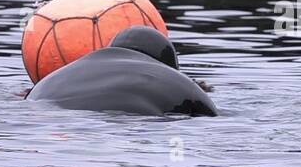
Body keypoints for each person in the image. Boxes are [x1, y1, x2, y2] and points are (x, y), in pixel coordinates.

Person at [27, 26, 217, 116]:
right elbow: (212, 118)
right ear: (169, 65)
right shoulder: (180, 84)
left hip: (55, 122)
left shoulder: (51, 80)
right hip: (142, 127)